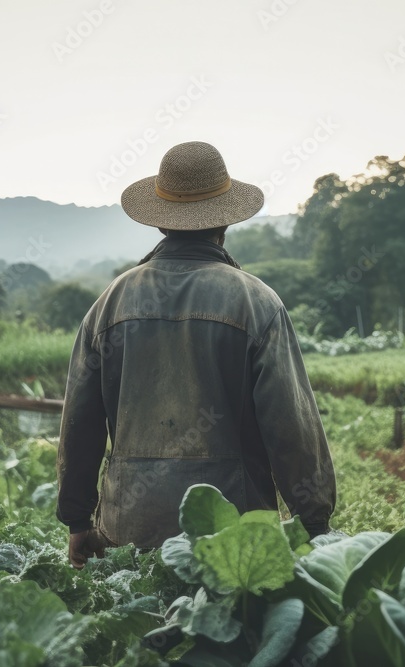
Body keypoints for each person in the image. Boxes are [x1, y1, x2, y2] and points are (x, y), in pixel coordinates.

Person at [56, 140, 336, 569]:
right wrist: (313, 523)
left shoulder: (110, 303)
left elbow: (80, 422)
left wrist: (77, 520)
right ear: (225, 220)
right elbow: (291, 425)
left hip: (130, 526)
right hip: (232, 535)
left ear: (160, 223)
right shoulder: (256, 302)